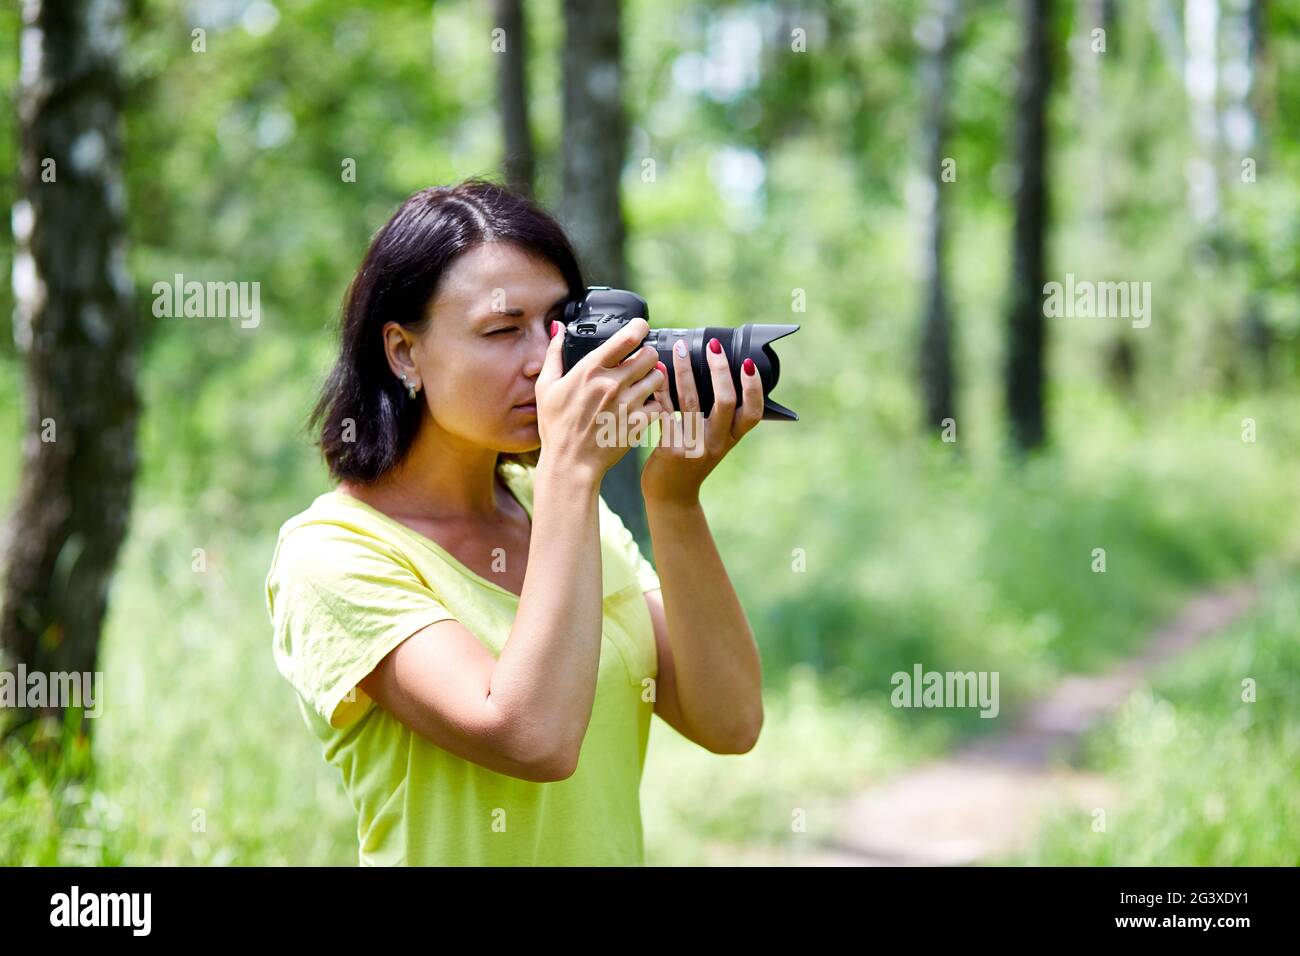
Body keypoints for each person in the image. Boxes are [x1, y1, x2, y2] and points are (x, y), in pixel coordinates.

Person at [264, 178, 765, 865]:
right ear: (404, 352)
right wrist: (571, 472)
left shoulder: (560, 508)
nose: (543, 361)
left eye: (558, 327)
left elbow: (729, 720)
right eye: (502, 331)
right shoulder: (334, 555)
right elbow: (532, 739)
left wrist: (674, 501)